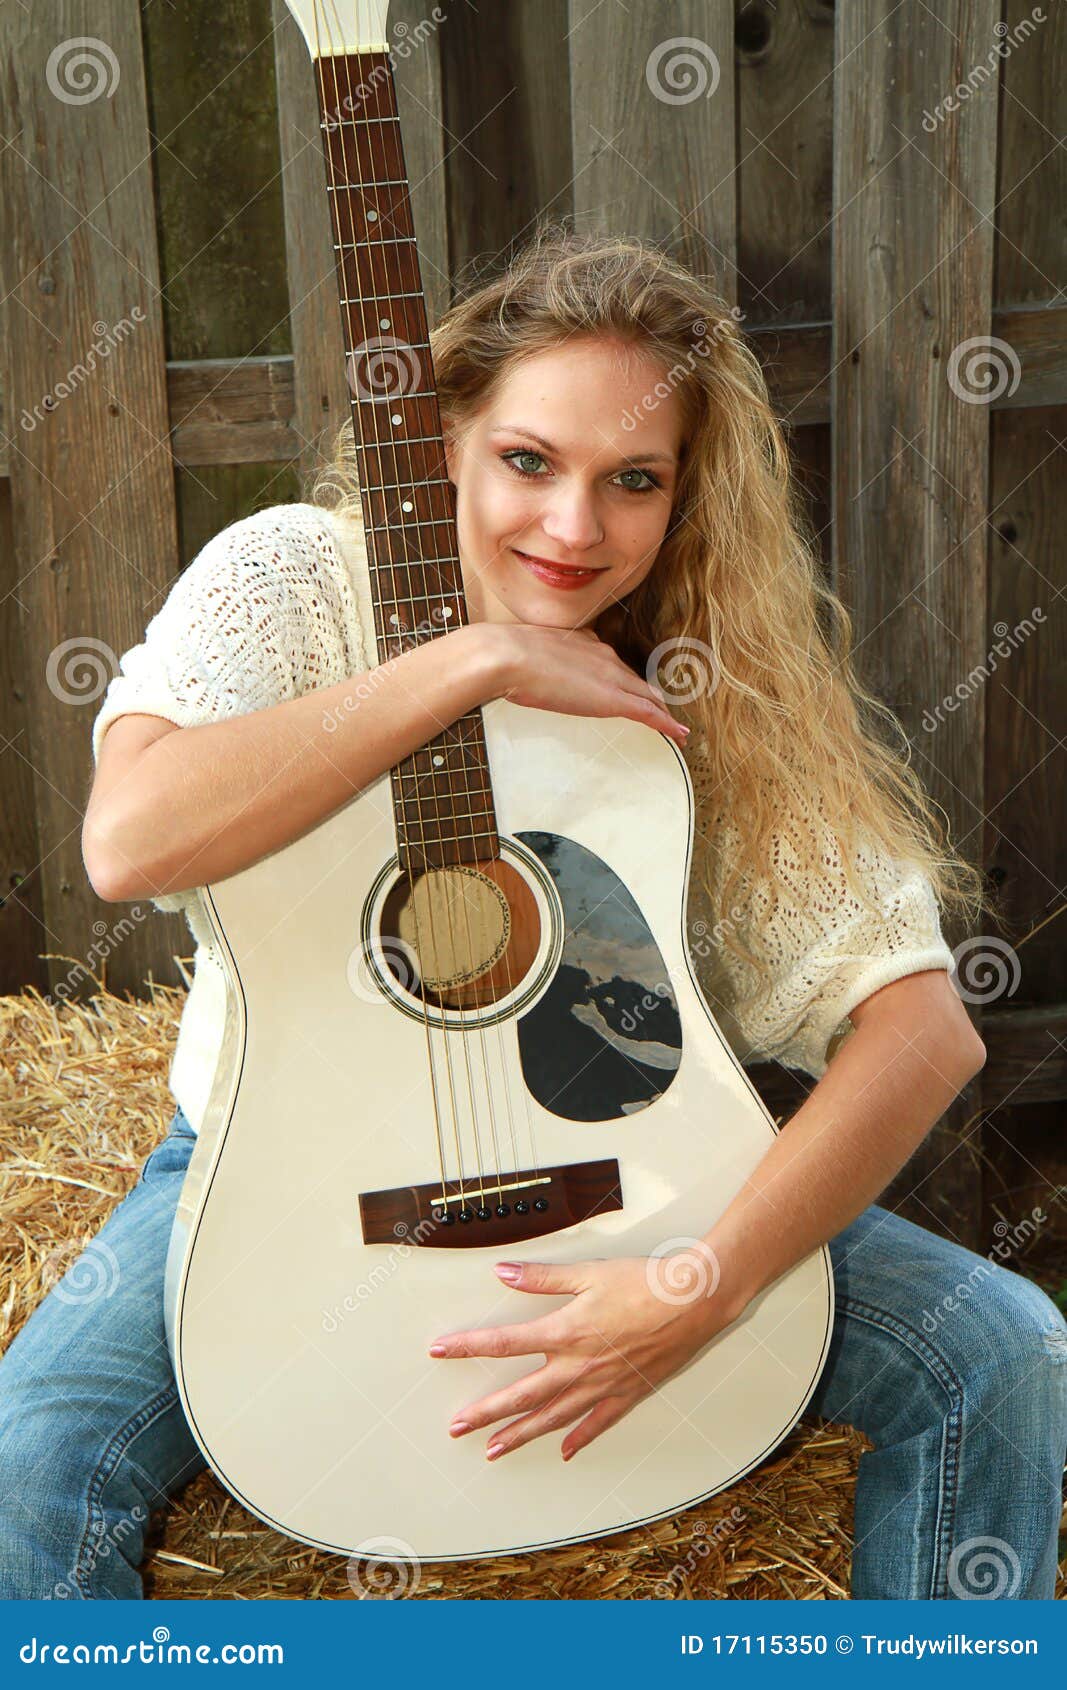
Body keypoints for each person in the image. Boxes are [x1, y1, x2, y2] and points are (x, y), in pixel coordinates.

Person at [1, 228, 1064, 1601]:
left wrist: (703, 1278)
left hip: (626, 1169)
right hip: (269, 1166)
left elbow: (926, 1037)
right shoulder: (293, 580)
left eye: (634, 481)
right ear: (441, 437)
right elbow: (130, 837)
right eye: (527, 462)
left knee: (1003, 1348)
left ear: (686, 499)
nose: (574, 528)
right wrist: (472, 660)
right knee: (28, 1463)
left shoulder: (703, 674)